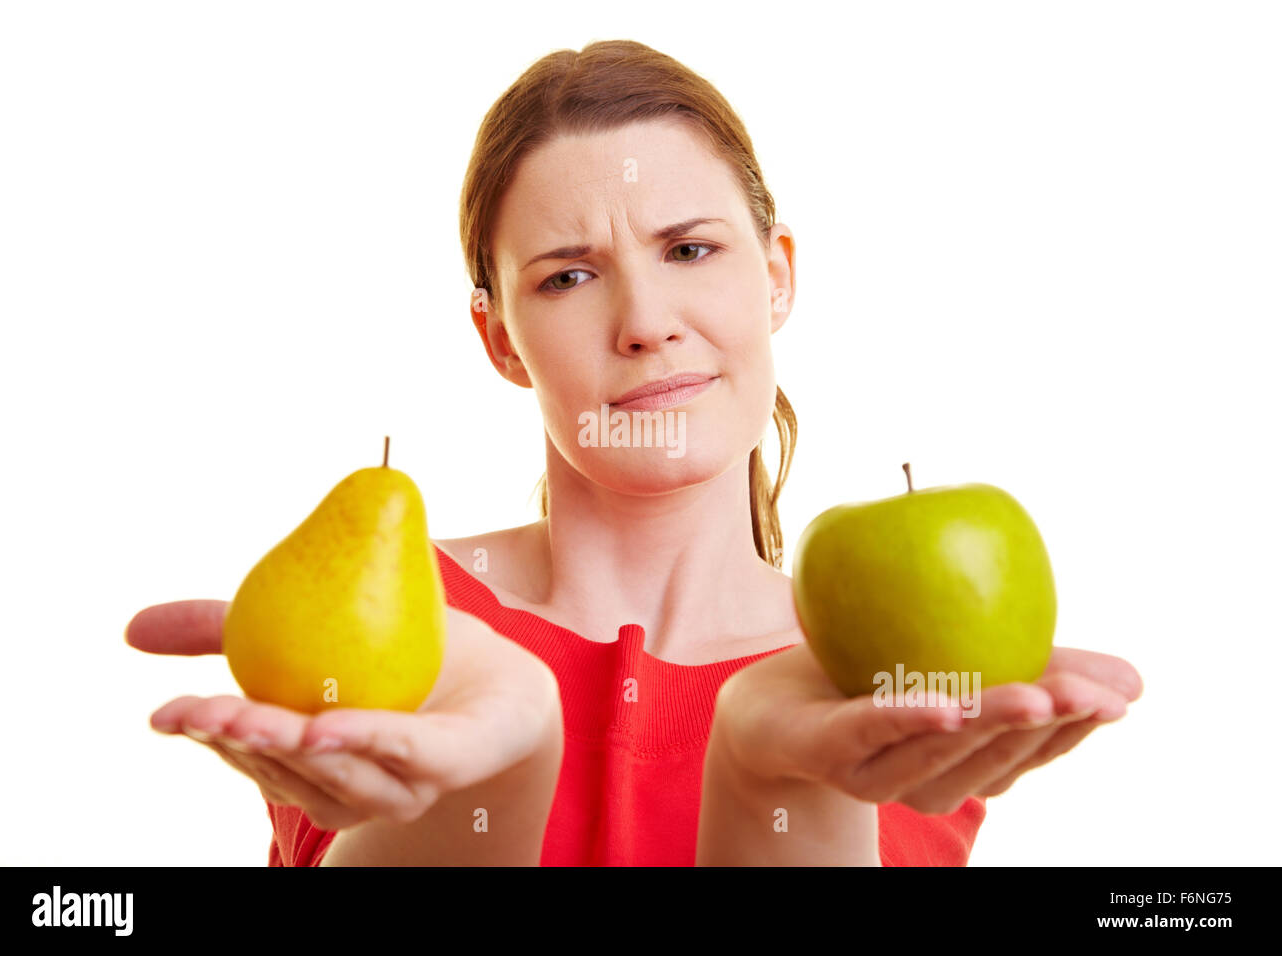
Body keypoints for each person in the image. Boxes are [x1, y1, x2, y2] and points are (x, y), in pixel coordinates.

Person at [125, 39, 1143, 866]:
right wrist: (493, 759)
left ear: (776, 275)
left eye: (689, 250)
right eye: (568, 277)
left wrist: (767, 769)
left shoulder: (884, 672)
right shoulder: (389, 616)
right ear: (497, 340)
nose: (646, 321)